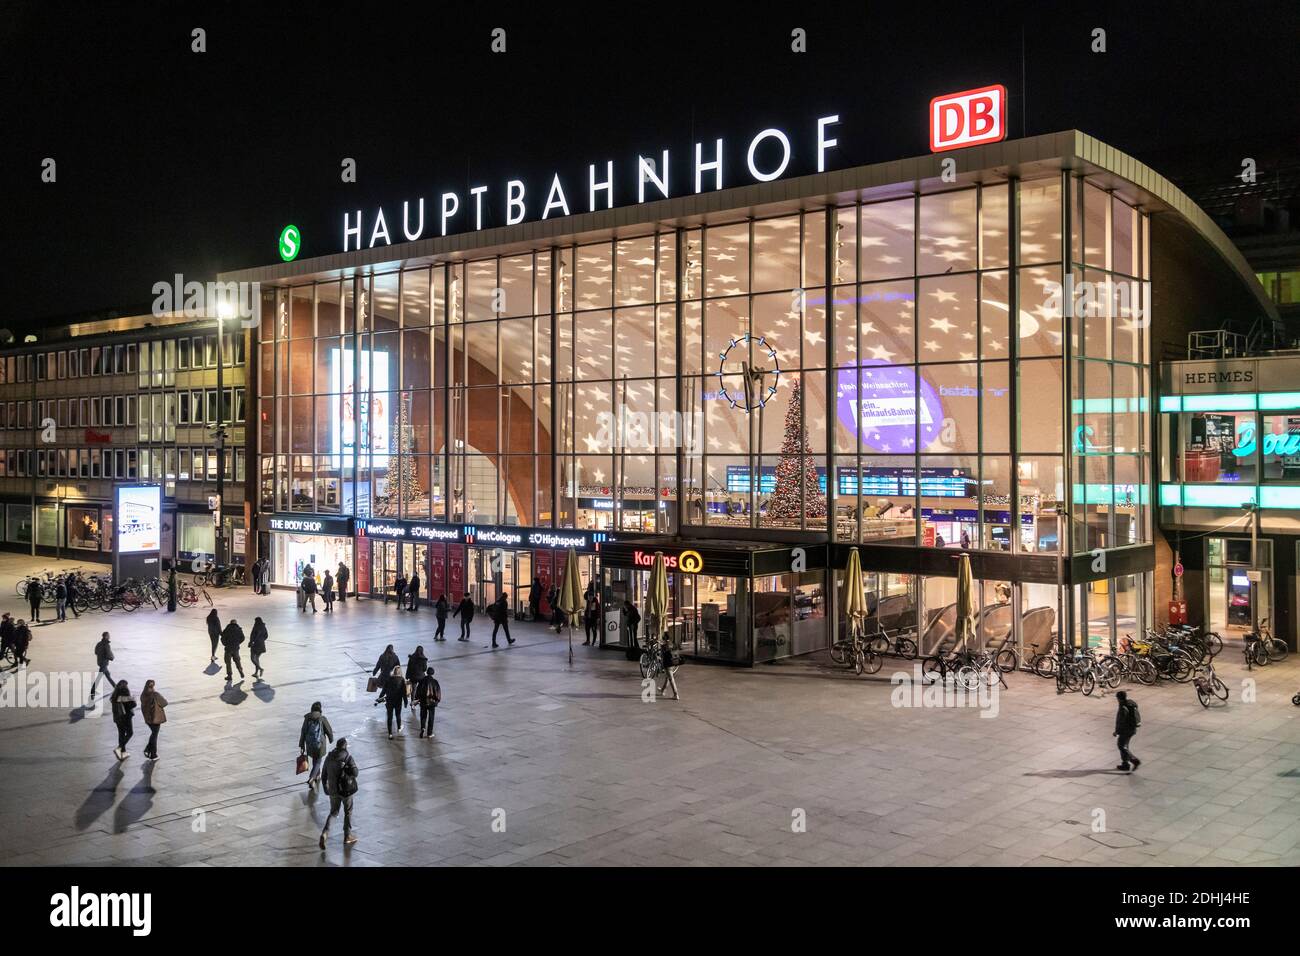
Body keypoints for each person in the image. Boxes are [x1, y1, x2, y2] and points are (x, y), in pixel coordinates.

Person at [319, 738, 359, 848]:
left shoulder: (329, 757)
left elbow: (323, 775)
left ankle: (325, 833)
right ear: (345, 746)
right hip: (346, 790)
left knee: (333, 812)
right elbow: (355, 773)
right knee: (348, 812)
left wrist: (325, 788)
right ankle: (347, 836)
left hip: (333, 790)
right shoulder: (347, 757)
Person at [299, 701, 334, 790]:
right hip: (320, 744)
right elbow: (329, 730)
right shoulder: (322, 719)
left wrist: (302, 744)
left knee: (315, 759)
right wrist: (331, 739)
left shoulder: (307, 718)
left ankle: (317, 776)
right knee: (318, 761)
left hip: (310, 744)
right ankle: (312, 777)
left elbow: (303, 731)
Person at [1114, 690, 1142, 772]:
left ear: (1119, 698)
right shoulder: (1131, 704)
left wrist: (1117, 731)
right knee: (1125, 746)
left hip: (1126, 730)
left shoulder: (1123, 707)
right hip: (1132, 728)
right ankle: (1125, 764)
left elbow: (1121, 721)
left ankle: (1134, 760)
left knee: (1121, 746)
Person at [140, 679, 168, 760]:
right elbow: (165, 703)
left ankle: (149, 750)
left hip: (147, 719)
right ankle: (152, 753)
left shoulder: (143, 695)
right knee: (154, 735)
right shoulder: (155, 694)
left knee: (153, 733)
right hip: (155, 718)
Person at [110, 679, 136, 760]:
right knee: (130, 733)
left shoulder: (115, 694)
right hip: (126, 717)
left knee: (121, 734)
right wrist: (133, 699)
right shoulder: (125, 692)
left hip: (117, 718)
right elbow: (132, 705)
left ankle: (122, 753)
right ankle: (119, 748)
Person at [414, 665, 441, 739]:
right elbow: (437, 693)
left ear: (426, 672)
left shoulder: (422, 681)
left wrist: (417, 698)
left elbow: (418, 690)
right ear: (432, 673)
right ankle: (429, 733)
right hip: (431, 702)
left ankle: (423, 728)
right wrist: (437, 700)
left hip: (423, 701)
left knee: (423, 716)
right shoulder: (435, 682)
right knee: (431, 717)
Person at [383, 665, 407, 740]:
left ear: (394, 672)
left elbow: (384, 689)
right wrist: (405, 701)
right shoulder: (402, 680)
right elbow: (404, 692)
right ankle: (399, 727)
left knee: (389, 717)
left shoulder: (389, 679)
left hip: (389, 700)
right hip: (398, 700)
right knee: (398, 714)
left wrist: (380, 696)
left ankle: (390, 734)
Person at [89, 632, 114, 702]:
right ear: (106, 636)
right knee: (99, 678)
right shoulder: (106, 645)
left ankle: (115, 687)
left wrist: (101, 656)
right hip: (104, 663)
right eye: (108, 635)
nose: (109, 636)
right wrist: (111, 658)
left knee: (108, 676)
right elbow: (109, 654)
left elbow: (96, 652)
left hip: (100, 662)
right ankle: (92, 691)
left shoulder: (99, 644)